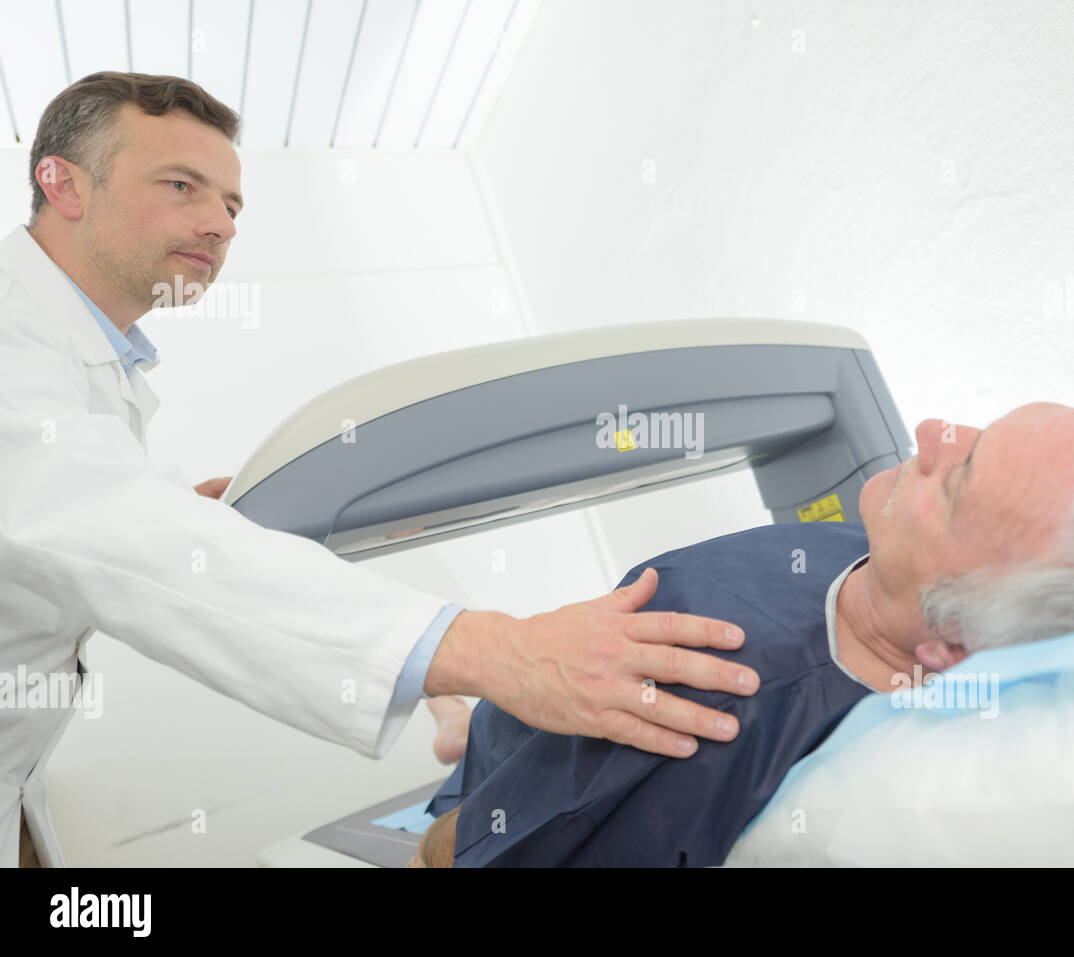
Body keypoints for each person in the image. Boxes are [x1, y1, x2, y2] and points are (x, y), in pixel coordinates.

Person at [0, 72, 758, 869]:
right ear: (63, 182)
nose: (219, 224)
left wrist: (181, 514)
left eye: (231, 205)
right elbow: (109, 530)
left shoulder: (87, 364)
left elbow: (78, 516)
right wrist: (500, 651)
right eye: (182, 185)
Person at [410, 397, 1074, 866]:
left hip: (502, 775)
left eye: (959, 478)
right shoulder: (874, 555)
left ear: (950, 647)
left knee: (472, 729)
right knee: (482, 697)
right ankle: (470, 712)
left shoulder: (718, 716)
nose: (933, 430)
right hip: (543, 690)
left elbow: (487, 849)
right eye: (978, 427)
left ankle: (465, 723)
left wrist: (434, 834)